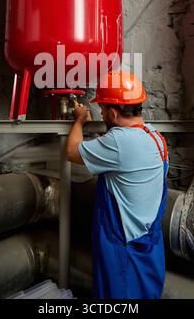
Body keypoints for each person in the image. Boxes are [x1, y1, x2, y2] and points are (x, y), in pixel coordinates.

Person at [66, 69, 168, 299]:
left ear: (112, 112)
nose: (101, 114)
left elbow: (72, 151)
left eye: (102, 109)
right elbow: (117, 154)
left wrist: (80, 122)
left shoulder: (119, 142)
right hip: (149, 247)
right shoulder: (156, 137)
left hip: (123, 251)